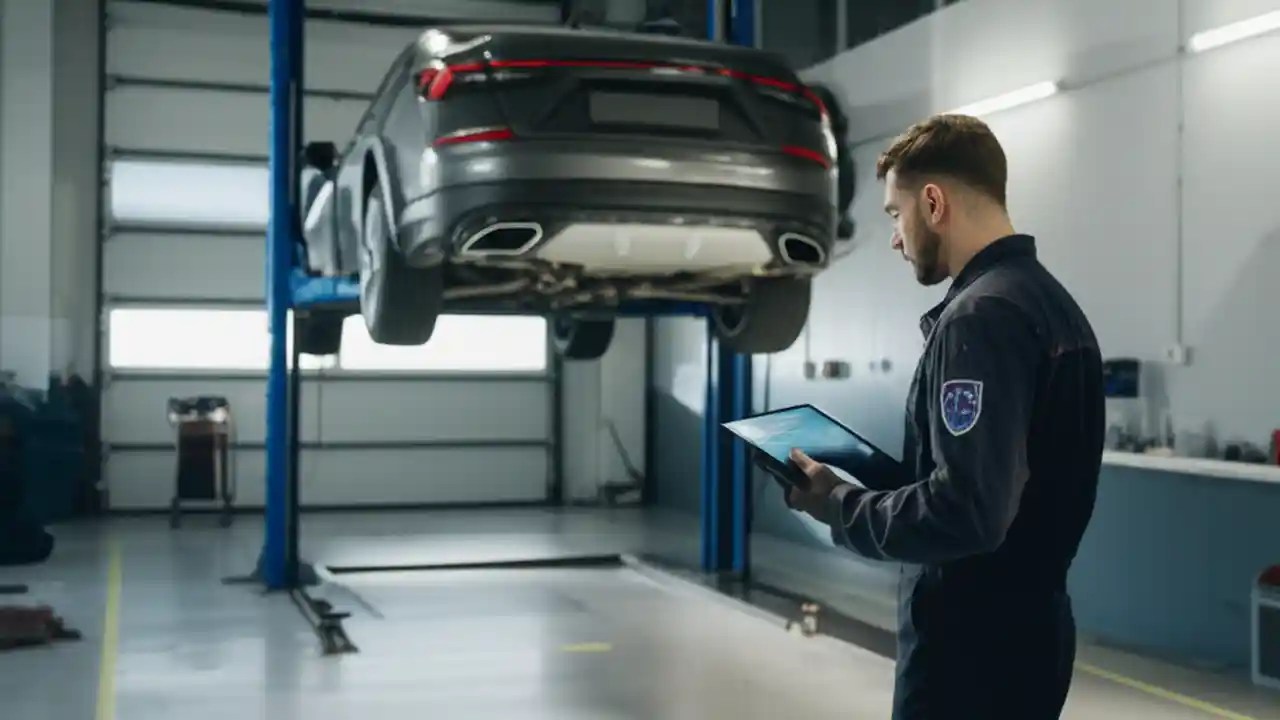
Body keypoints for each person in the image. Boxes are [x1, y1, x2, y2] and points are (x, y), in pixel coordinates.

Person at [783, 114, 1105, 719]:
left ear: (933, 203)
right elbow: (1001, 481)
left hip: (969, 654)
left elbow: (967, 512)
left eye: (894, 214)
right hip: (1028, 637)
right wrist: (867, 475)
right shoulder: (1051, 304)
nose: (894, 238)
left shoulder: (981, 318)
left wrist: (838, 505)